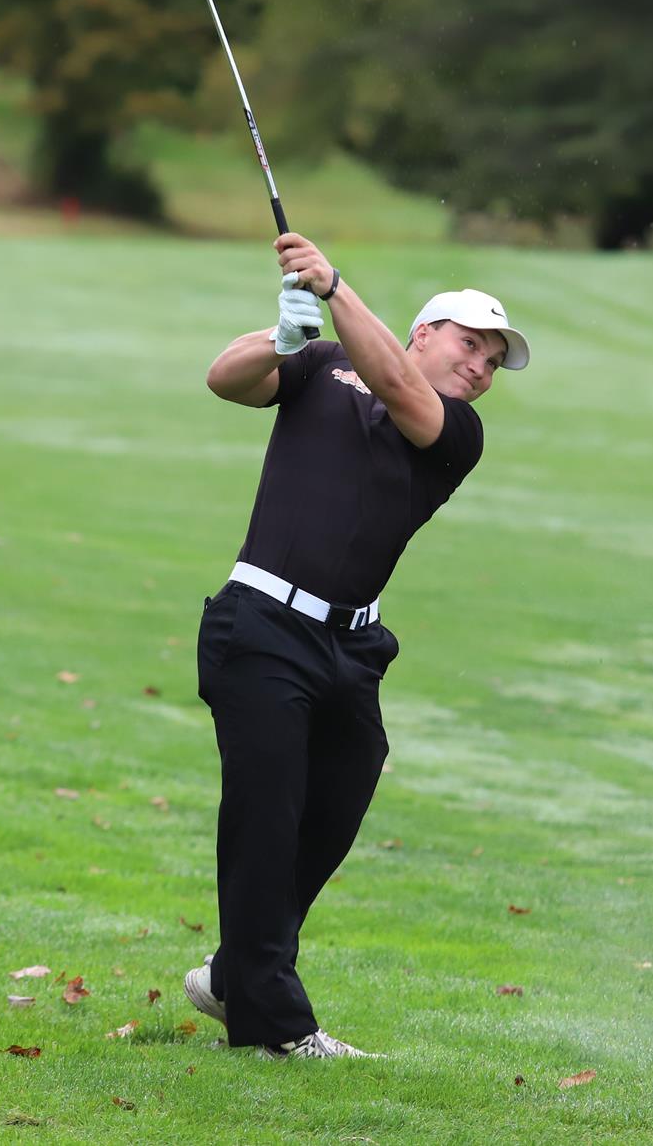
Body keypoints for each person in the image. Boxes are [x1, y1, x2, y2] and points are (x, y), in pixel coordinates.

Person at [183, 231, 530, 1059]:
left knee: (334, 804)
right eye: (470, 343)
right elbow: (223, 378)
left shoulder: (453, 431)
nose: (481, 366)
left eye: (493, 360)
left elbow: (397, 385)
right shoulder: (322, 363)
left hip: (350, 650)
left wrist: (333, 284)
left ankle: (236, 973)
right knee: (266, 818)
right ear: (422, 330)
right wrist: (282, 337)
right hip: (262, 626)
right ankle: (277, 1026)